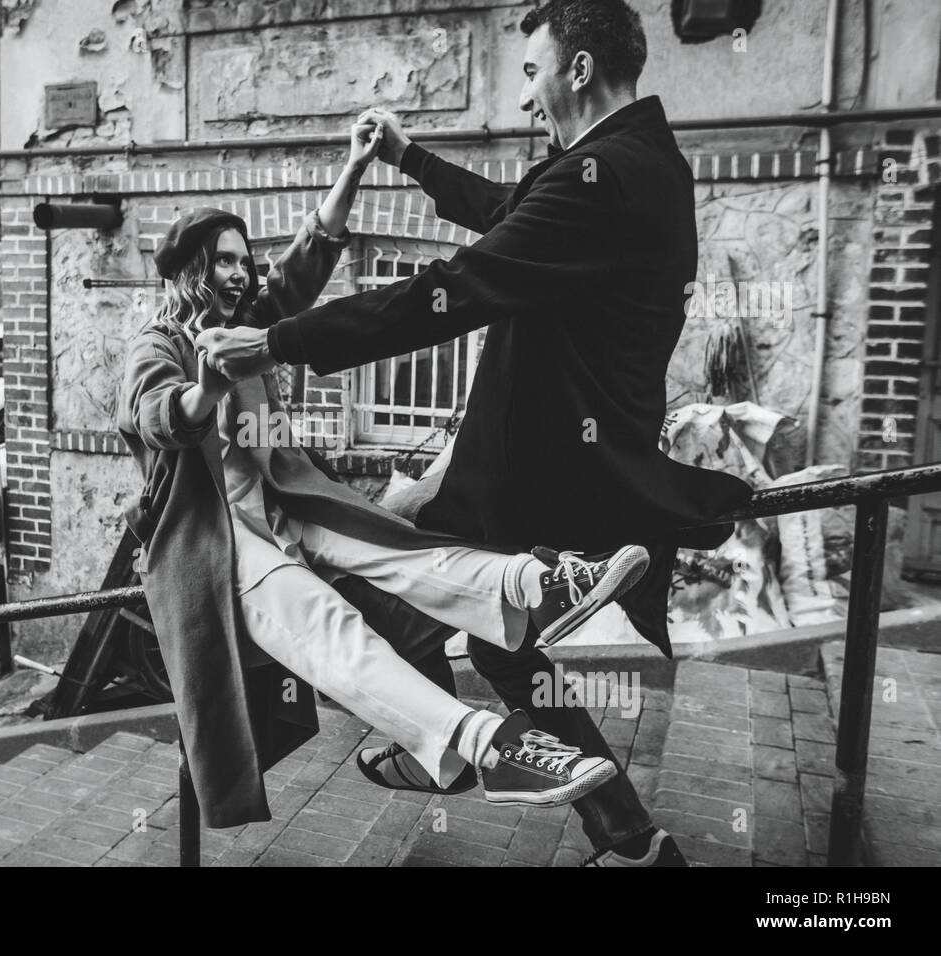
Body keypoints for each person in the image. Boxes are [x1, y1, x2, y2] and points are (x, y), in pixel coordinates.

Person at [196, 0, 754, 864]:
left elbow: (451, 289)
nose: (526, 96)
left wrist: (274, 342)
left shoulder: (601, 175)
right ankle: (620, 830)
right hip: (551, 454)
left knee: (403, 577)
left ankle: (453, 751)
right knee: (479, 618)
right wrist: (407, 156)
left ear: (577, 70)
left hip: (546, 466)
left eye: (532, 72)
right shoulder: (628, 164)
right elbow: (503, 206)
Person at [118, 115, 653, 831]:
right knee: (331, 625)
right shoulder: (156, 345)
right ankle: (484, 745)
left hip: (293, 512)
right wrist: (210, 387)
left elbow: (310, 256)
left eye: (243, 261)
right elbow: (156, 415)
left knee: (407, 553)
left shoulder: (247, 317)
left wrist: (358, 162)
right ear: (190, 271)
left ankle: (538, 585)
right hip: (220, 548)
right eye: (223, 261)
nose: (240, 274)